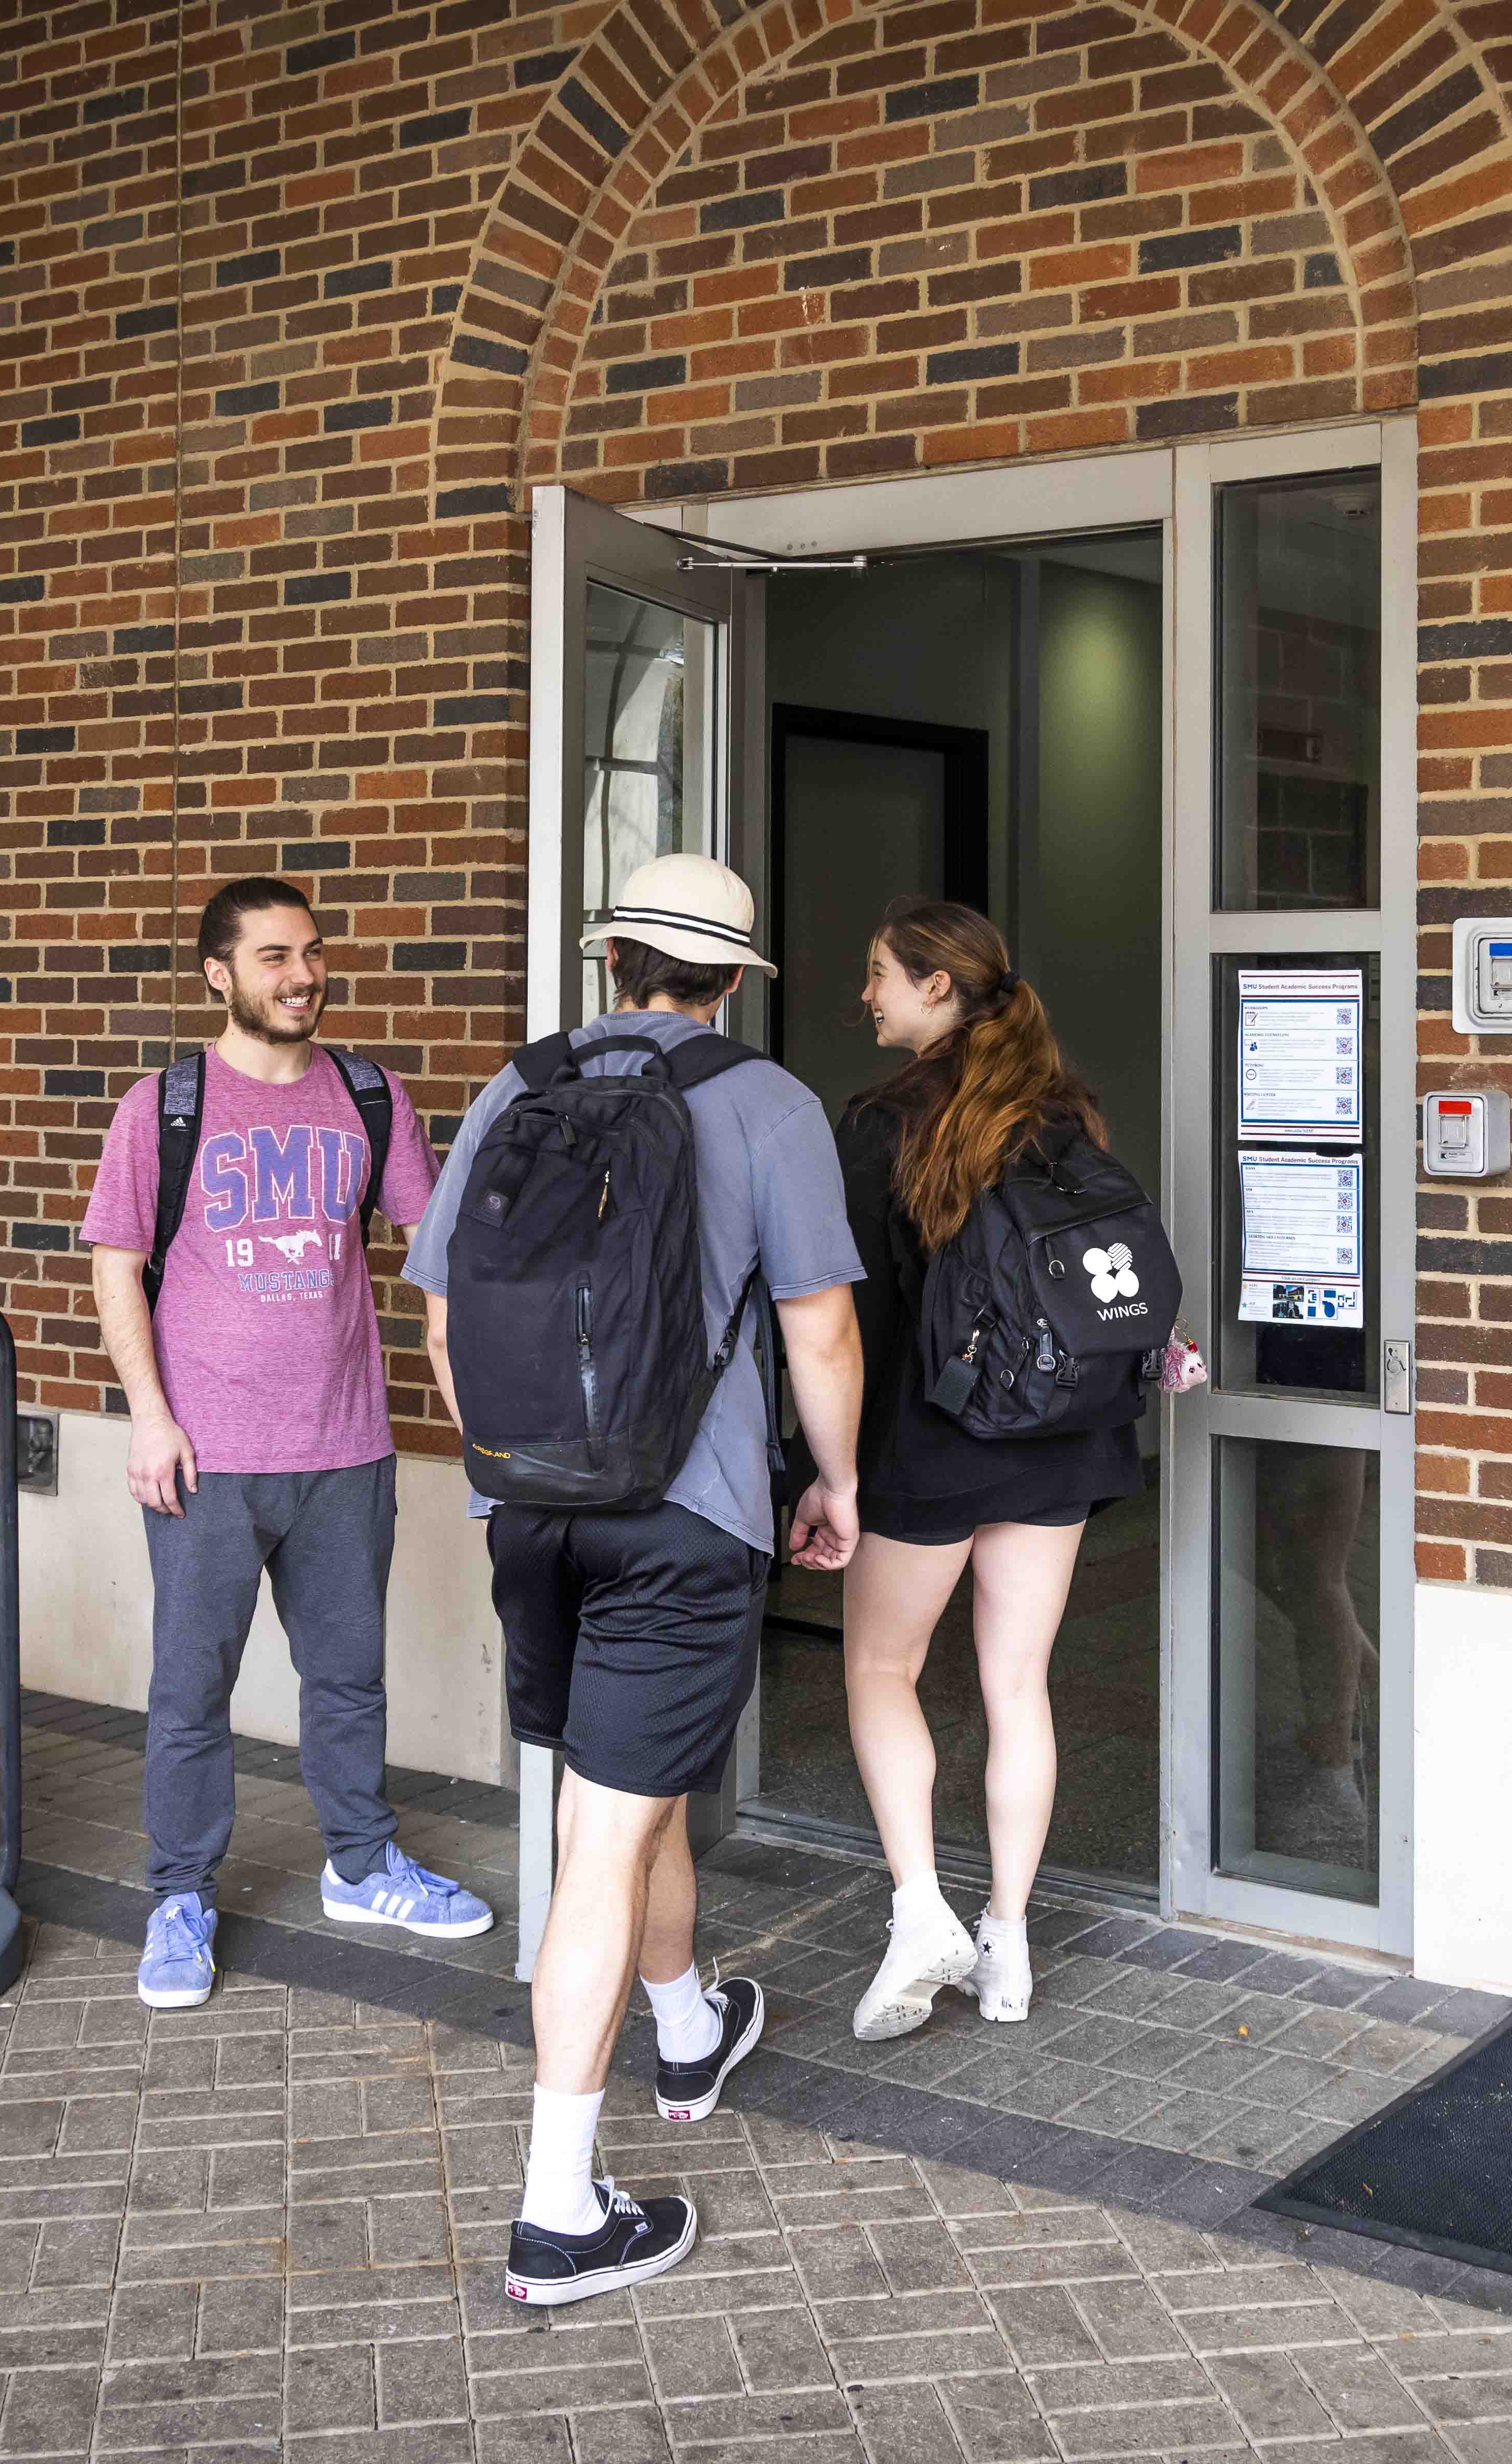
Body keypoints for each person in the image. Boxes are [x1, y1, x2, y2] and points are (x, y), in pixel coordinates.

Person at [409, 851, 866, 2308]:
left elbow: (440, 1315)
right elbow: (823, 1334)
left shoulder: (515, 1087)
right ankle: (557, 2212)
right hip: (687, 1516)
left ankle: (685, 2024)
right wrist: (835, 1483)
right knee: (604, 1841)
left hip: (530, 1507)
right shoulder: (768, 1104)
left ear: (610, 962)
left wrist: (511, 1467)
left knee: (616, 1791)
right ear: (733, 979)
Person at [82, 877, 495, 2014]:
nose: (302, 975)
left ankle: (362, 1864)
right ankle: (179, 1896)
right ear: (218, 974)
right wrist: (150, 1418)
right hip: (207, 1456)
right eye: (273, 957)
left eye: (310, 953)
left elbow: (436, 1260)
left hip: (347, 1449)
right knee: (189, 1689)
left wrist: (475, 1413)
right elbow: (116, 1264)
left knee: (348, 1681)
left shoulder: (369, 1097)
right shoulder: (162, 1107)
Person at [833, 897, 1142, 2040]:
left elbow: (852, 1318)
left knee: (880, 1669)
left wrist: (830, 1468)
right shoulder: (1067, 1117)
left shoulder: (880, 1123)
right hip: (1060, 1435)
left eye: (879, 974)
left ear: (937, 988)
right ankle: (1008, 1944)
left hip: (934, 1441)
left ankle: (921, 1911)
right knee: (1019, 1687)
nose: (864, 996)